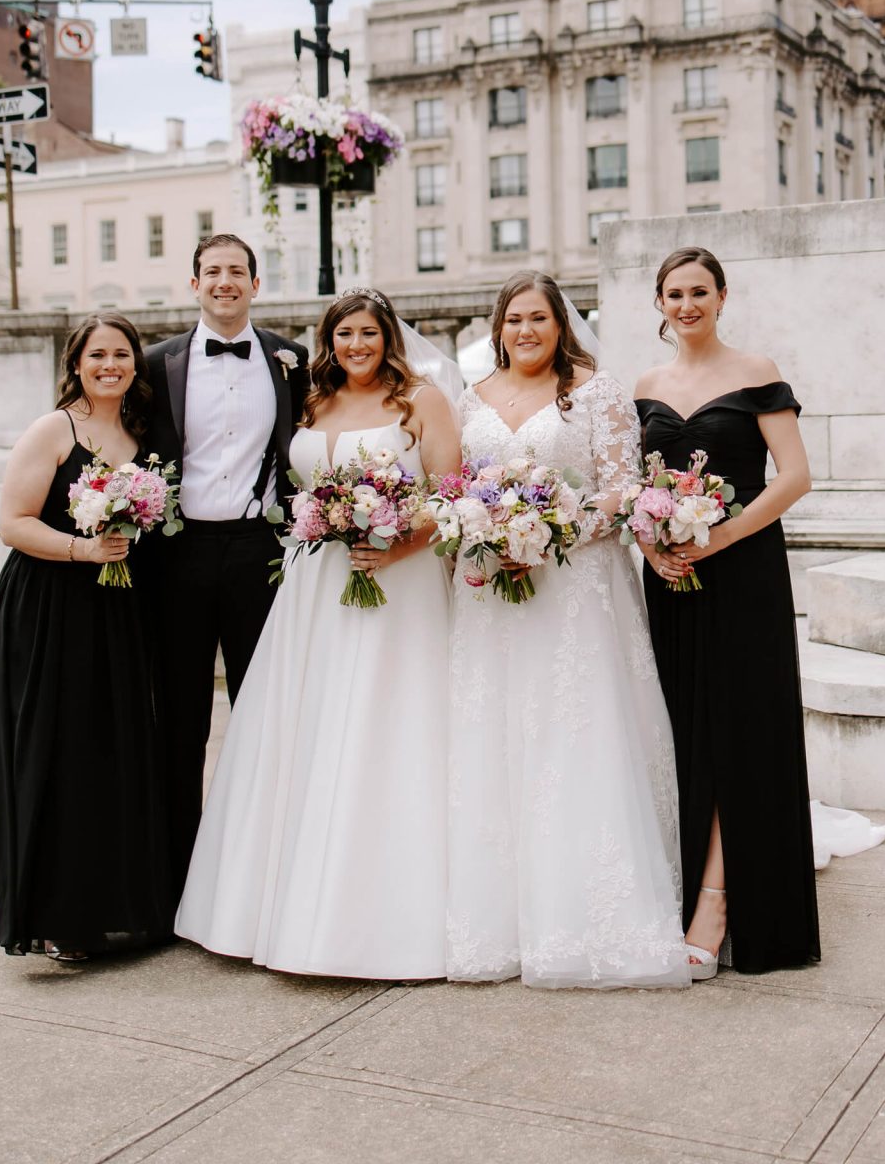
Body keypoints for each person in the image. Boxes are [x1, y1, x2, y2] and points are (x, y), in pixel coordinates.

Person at [175, 288, 462, 979]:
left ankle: (380, 916)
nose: (355, 346)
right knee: (305, 729)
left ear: (387, 336)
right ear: (327, 341)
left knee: (385, 730)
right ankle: (273, 905)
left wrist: (394, 544)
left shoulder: (421, 400)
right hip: (312, 588)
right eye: (343, 335)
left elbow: (452, 492)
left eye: (367, 333)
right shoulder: (309, 400)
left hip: (401, 584)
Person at [447, 272, 688, 990]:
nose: (525, 330)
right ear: (497, 327)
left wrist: (548, 533)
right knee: (498, 739)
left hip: (575, 587)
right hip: (493, 595)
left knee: (573, 735)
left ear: (561, 326)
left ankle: (585, 915)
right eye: (514, 319)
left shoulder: (598, 391)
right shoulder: (473, 397)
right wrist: (488, 535)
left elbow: (621, 487)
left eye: (539, 319)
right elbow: (459, 487)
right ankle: (503, 912)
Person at [634, 246, 820, 977]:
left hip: (742, 572)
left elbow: (795, 477)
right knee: (685, 729)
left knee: (739, 729)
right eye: (674, 293)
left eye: (699, 292)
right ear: (659, 303)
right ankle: (687, 886)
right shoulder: (646, 385)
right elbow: (635, 486)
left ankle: (717, 901)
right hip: (671, 577)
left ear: (722, 297)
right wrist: (652, 548)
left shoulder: (757, 373)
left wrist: (720, 536)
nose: (687, 305)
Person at [0, 314, 171, 962]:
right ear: (77, 362)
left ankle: (118, 905)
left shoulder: (137, 434)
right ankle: (61, 915)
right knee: (57, 752)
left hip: (114, 613)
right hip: (49, 608)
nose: (111, 364)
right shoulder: (54, 429)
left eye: (122, 354)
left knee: (111, 751)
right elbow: (12, 522)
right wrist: (81, 549)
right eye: (98, 355)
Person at [145, 233, 308, 904]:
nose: (224, 283)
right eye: (212, 272)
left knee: (261, 710)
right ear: (194, 285)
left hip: (259, 555)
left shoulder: (289, 360)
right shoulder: (158, 365)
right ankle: (178, 871)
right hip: (178, 555)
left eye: (236, 272)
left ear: (255, 284)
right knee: (179, 717)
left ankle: (253, 873)